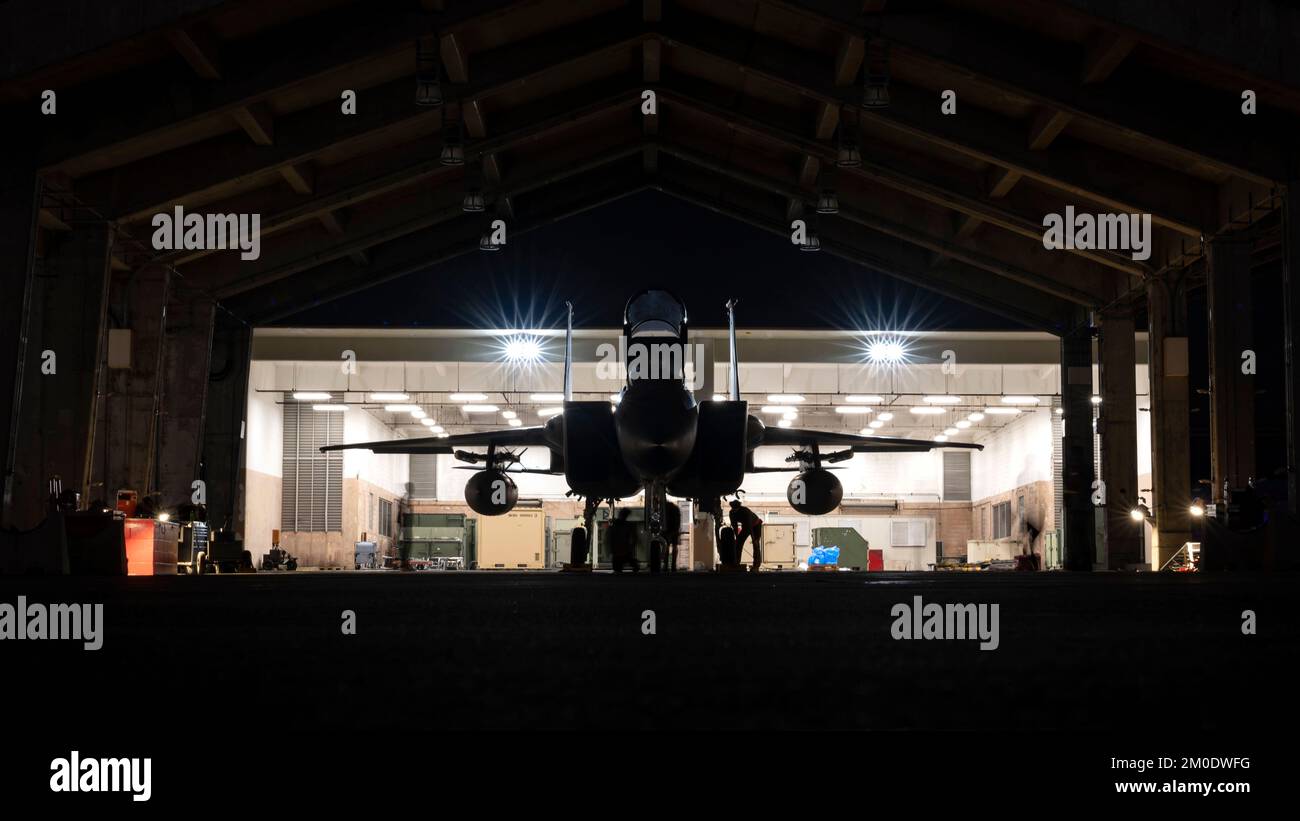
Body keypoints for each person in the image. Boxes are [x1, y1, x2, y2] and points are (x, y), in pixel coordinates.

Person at [728, 499, 764, 571]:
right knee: (738, 543)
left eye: (736, 508)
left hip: (756, 525)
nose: (734, 510)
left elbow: (750, 526)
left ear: (739, 507)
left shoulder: (745, 511)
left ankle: (756, 566)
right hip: (746, 526)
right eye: (733, 508)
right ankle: (736, 563)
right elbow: (734, 525)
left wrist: (754, 539)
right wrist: (737, 537)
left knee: (756, 544)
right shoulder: (731, 513)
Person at [608, 508, 638, 573]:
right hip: (622, 549)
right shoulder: (626, 525)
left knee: (618, 567)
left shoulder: (616, 525)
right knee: (629, 563)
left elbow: (610, 538)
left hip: (620, 550)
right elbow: (634, 537)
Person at [662, 502, 681, 572]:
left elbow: (663, 520)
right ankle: (673, 566)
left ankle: (665, 565)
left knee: (666, 547)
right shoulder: (676, 509)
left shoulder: (664, 509)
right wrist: (676, 530)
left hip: (667, 531)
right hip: (675, 530)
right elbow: (678, 521)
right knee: (674, 547)